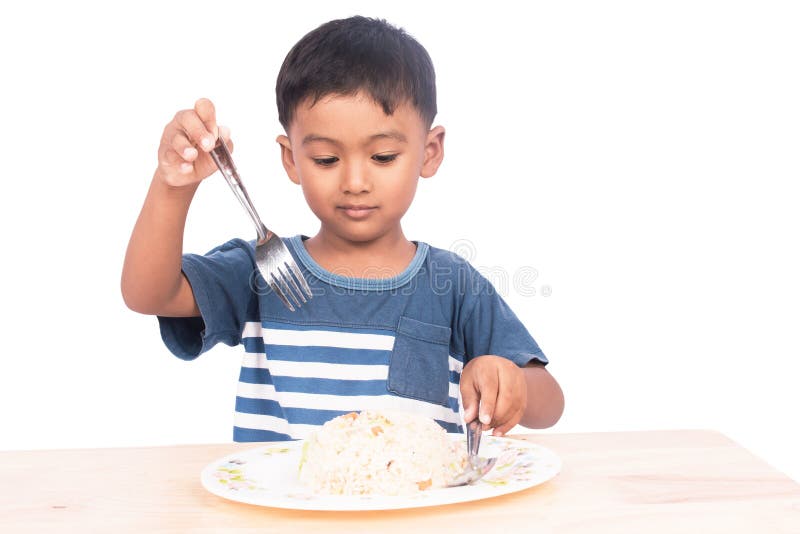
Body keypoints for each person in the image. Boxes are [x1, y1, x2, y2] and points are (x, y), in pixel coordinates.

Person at [121, 16, 564, 442]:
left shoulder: (452, 285)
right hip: (283, 518)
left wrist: (514, 384)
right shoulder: (261, 272)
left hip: (410, 518)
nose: (354, 182)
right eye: (327, 160)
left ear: (429, 152)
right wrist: (173, 185)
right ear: (291, 159)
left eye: (383, 157)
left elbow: (551, 404)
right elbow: (148, 294)